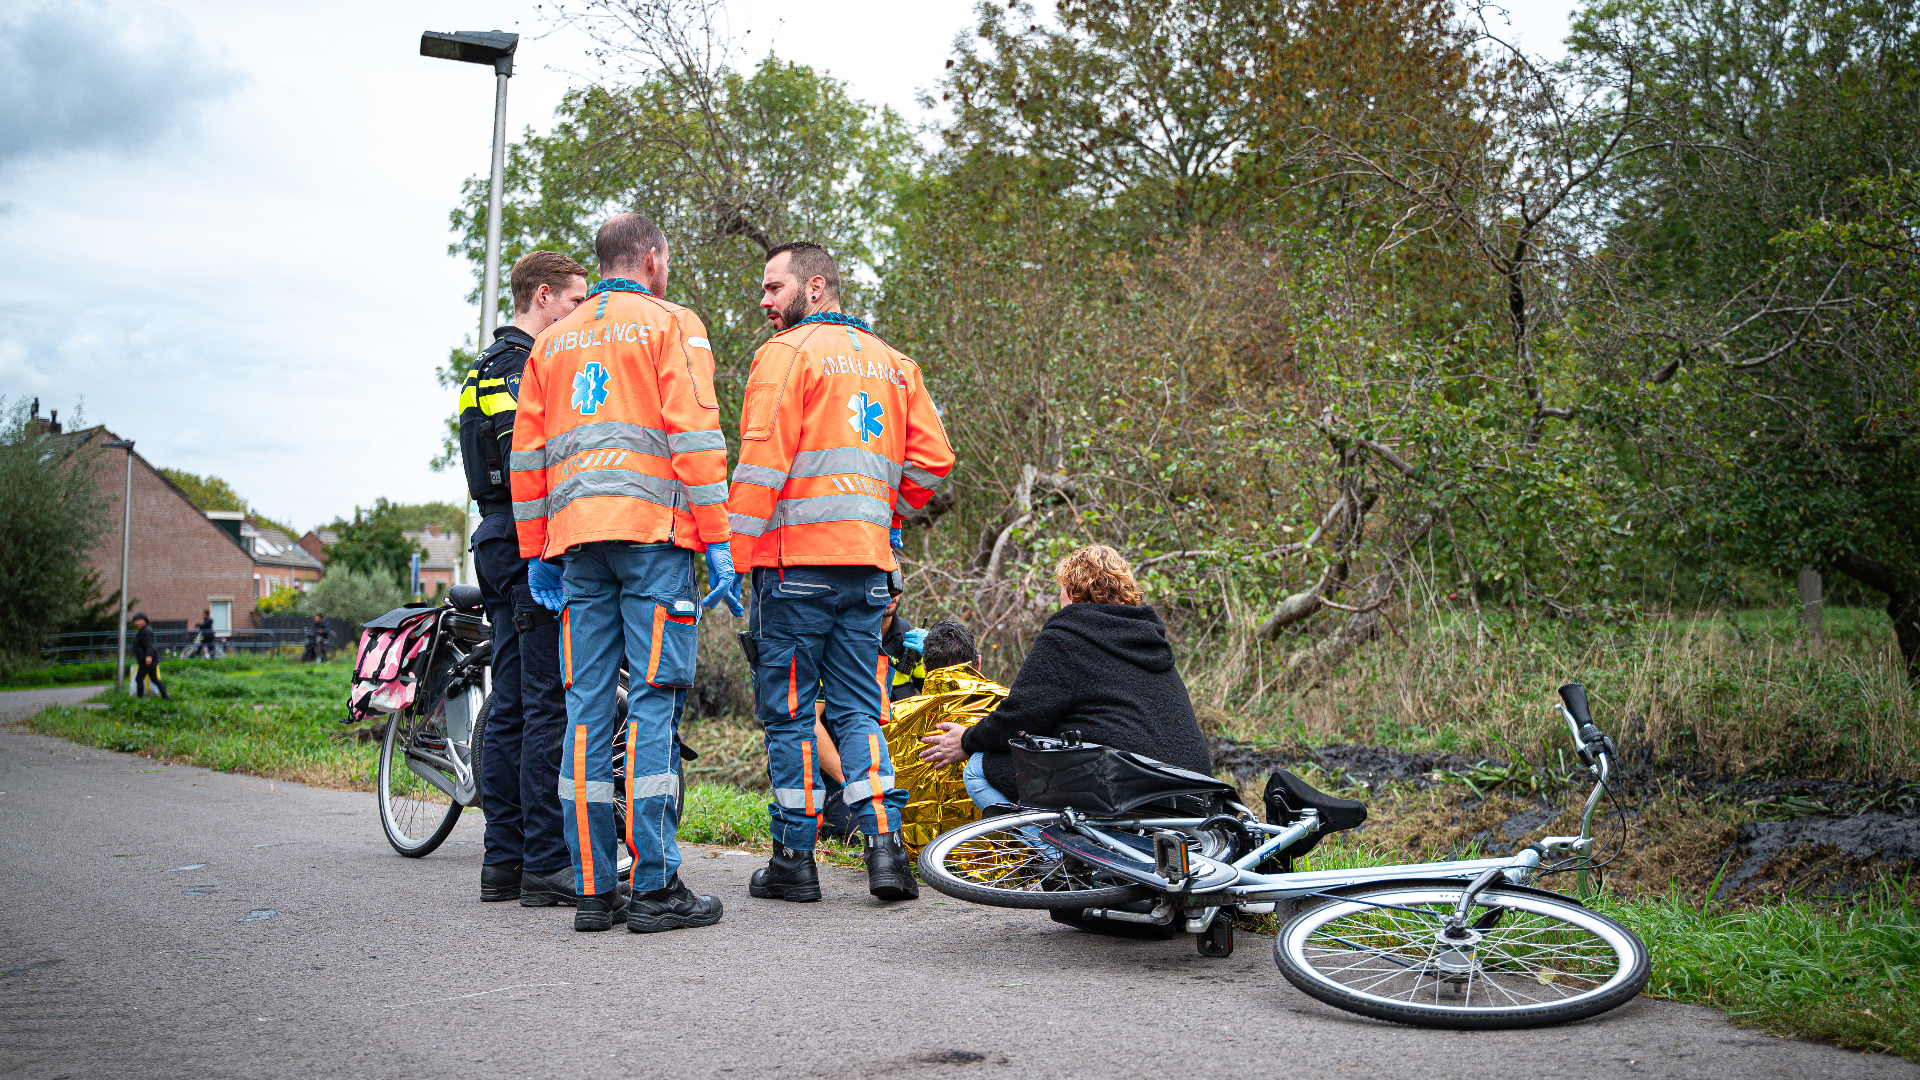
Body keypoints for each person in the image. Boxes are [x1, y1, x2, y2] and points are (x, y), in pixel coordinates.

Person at [513, 212, 736, 933]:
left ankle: (591, 889)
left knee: (584, 709)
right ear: (652, 258)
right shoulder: (672, 324)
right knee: (652, 703)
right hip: (654, 543)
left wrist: (536, 550)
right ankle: (656, 885)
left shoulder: (553, 341)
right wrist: (719, 539)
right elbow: (696, 439)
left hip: (579, 549)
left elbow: (527, 458)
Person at [728, 240, 956, 903]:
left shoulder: (784, 355)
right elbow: (933, 462)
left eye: (774, 287)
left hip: (794, 569)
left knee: (792, 718)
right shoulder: (894, 363)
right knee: (859, 712)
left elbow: (761, 467)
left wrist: (734, 556)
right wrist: (887, 511)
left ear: (815, 287)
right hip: (866, 571)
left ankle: (794, 862)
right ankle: (887, 854)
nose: (764, 300)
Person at [458, 250, 591, 909]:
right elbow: (527, 464)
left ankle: (503, 862)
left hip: (496, 538)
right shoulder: (522, 365)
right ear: (543, 296)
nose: (580, 314)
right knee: (545, 704)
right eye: (575, 302)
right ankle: (545, 862)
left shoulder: (484, 365)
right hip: (524, 538)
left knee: (510, 704)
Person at [918, 546, 1213, 810]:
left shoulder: (1067, 636)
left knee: (979, 768)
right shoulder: (1150, 639)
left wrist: (967, 740)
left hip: (1128, 791)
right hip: (1193, 792)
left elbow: (1020, 718)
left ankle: (1054, 851)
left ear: (1072, 590)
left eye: (1060, 590)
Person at [885, 618, 1008, 858]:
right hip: (997, 859)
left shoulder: (892, 717)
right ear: (978, 663)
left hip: (920, 857)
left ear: (925, 668)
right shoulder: (1007, 707)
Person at [129, 613, 169, 700]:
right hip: (149, 659)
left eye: (140, 620)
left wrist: (148, 656)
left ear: (145, 621)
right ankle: (165, 697)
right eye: (135, 621)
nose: (137, 623)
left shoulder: (146, 631)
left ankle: (140, 699)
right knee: (154, 679)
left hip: (147, 660)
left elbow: (150, 645)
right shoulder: (143, 630)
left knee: (139, 679)